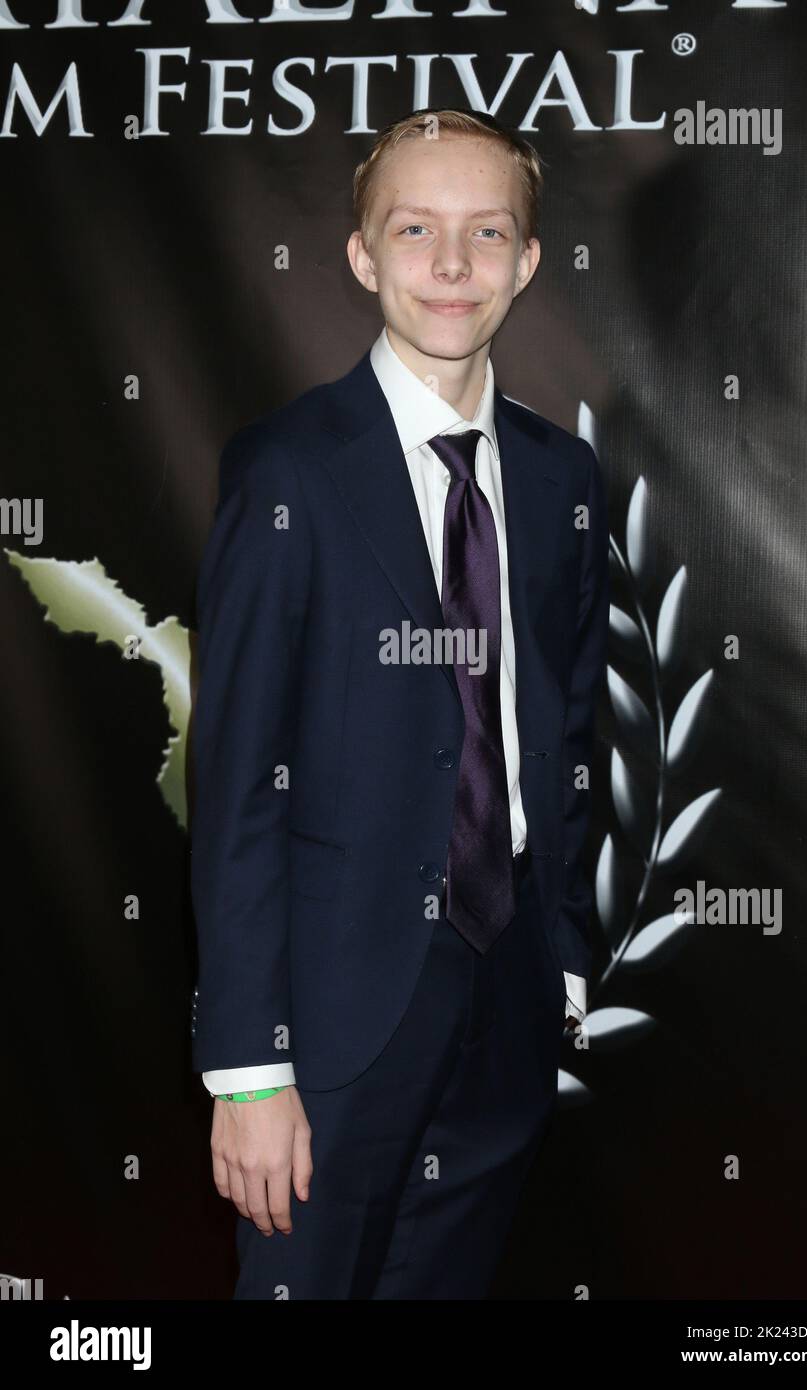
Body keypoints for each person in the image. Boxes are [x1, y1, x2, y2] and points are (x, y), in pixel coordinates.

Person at [189, 107, 609, 1300]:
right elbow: (236, 783)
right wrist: (249, 1071)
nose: (450, 264)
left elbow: (563, 726)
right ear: (362, 256)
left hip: (508, 979)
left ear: (526, 262)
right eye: (414, 229)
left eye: (486, 233)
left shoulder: (556, 475)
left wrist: (560, 949)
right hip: (334, 1004)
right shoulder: (289, 472)